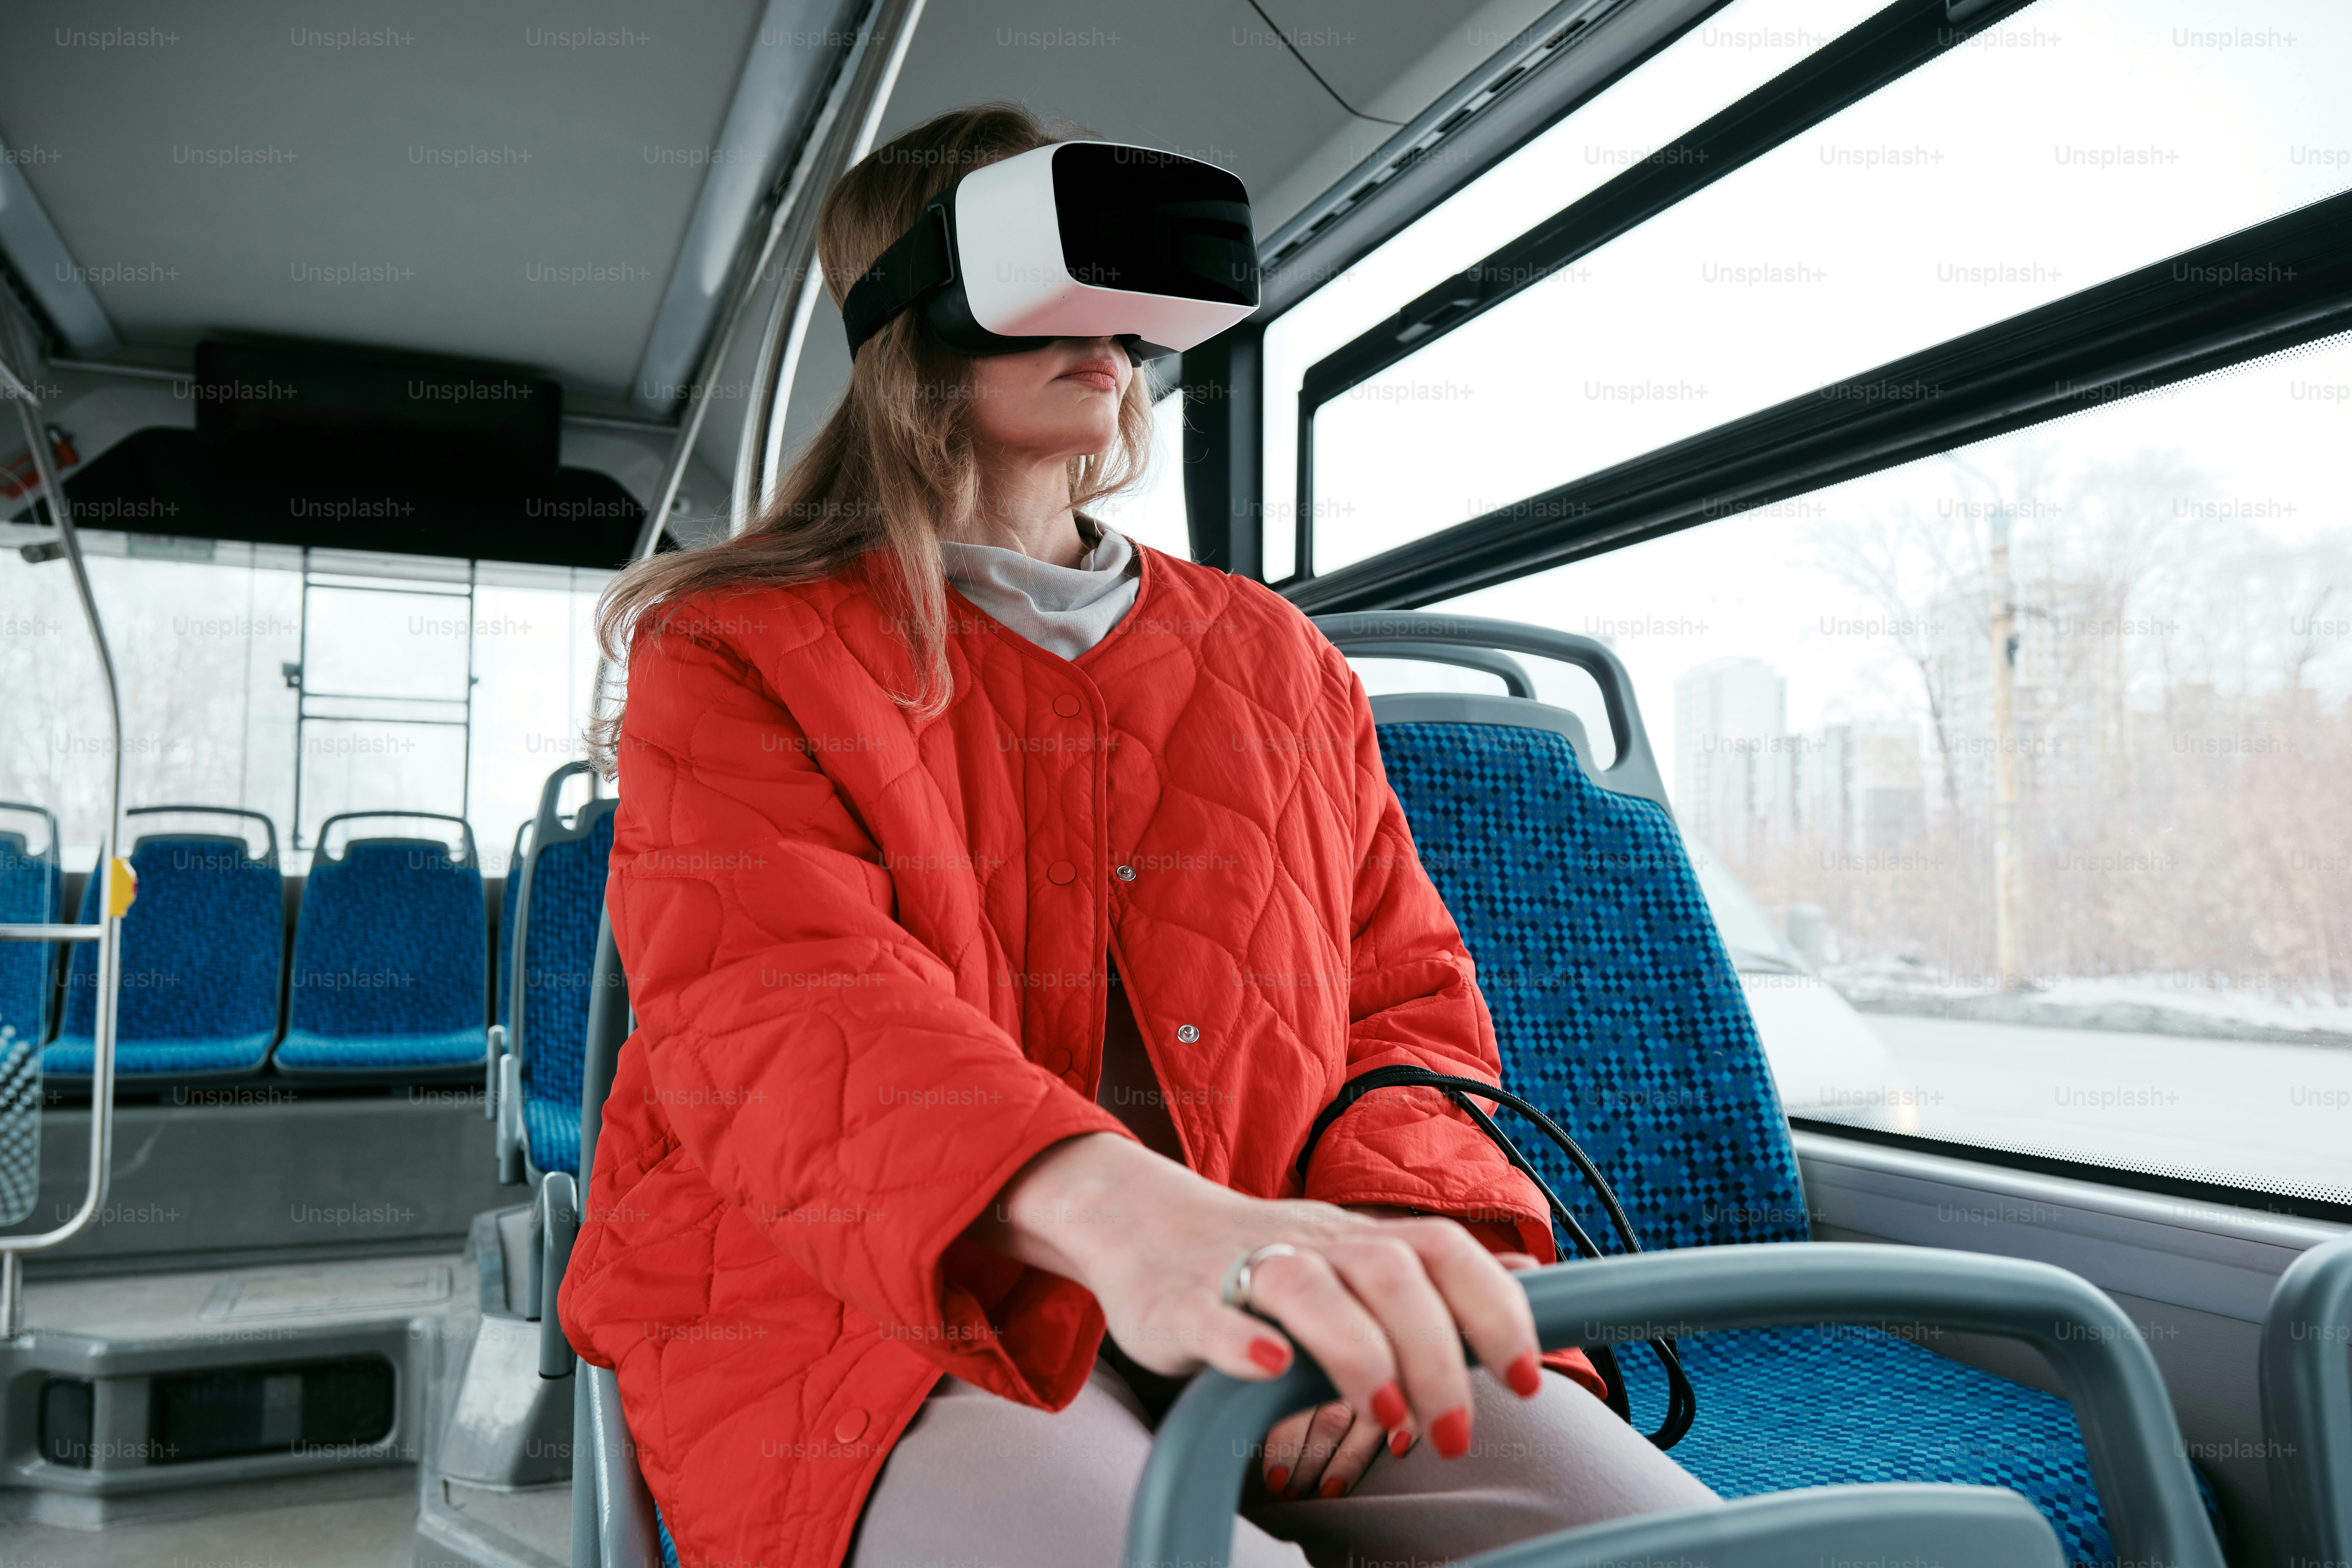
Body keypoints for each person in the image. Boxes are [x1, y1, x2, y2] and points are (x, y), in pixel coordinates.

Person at [559, 102, 1716, 1568]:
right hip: (865, 1310)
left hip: (1266, 1264)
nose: (1103, 331)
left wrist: (1379, 1247)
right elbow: (776, 1004)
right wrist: (1132, 1221)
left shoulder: (1277, 659)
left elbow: (1406, 1012)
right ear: (917, 313)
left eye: (1123, 300)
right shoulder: (737, 647)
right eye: (1051, 285)